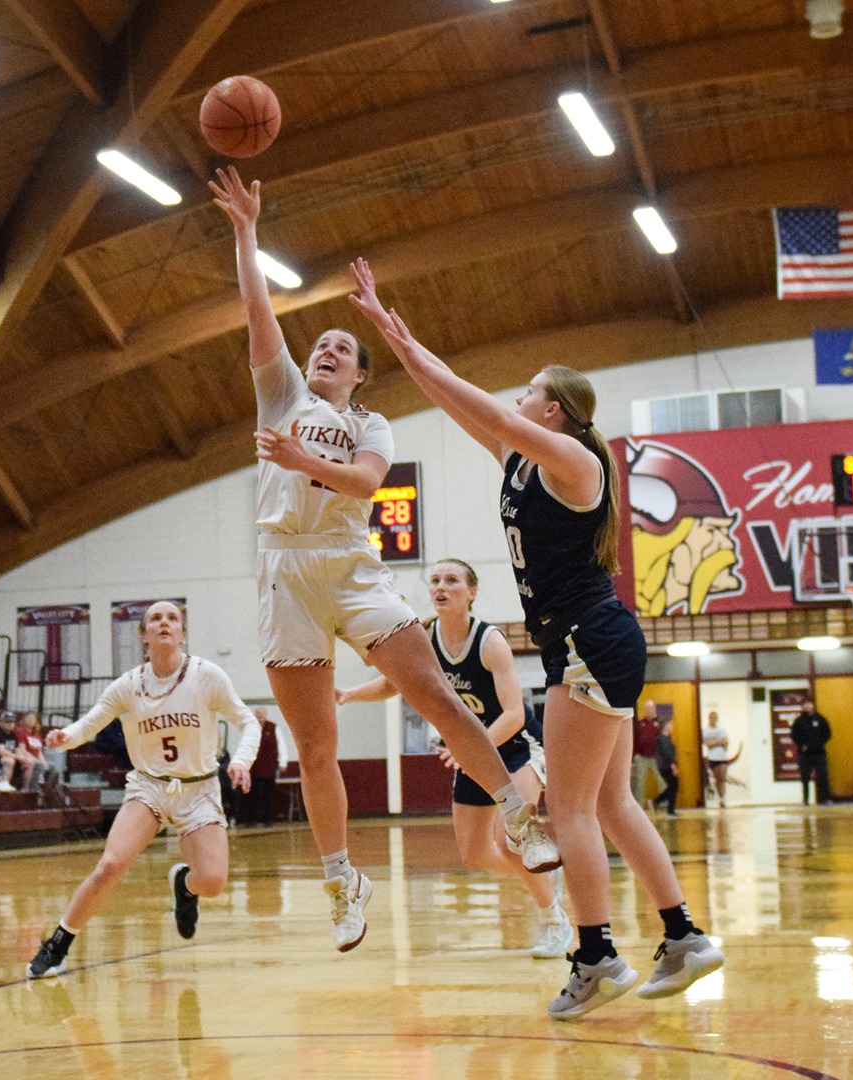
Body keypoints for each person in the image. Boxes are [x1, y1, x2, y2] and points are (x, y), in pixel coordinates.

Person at [346, 258, 720, 1019]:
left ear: (553, 410)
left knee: (570, 811)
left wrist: (406, 341)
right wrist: (407, 351)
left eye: (529, 392)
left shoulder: (577, 460)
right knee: (611, 804)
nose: (517, 399)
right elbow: (468, 411)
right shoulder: (521, 459)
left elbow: (488, 408)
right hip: (588, 643)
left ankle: (596, 955)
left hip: (590, 639)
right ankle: (681, 936)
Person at [211, 169, 556, 955]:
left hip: (350, 563)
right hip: (283, 571)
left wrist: (303, 459)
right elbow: (257, 312)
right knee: (317, 746)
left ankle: (518, 810)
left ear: (361, 374)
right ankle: (342, 880)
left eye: (343, 349)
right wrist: (246, 231)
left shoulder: (373, 423)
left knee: (434, 691)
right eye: (321, 345)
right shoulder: (281, 396)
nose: (328, 350)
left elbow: (366, 485)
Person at [339, 558, 571, 958]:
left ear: (471, 592)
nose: (440, 587)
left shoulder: (490, 640)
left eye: (451, 580)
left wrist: (468, 748)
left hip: (515, 747)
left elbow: (514, 715)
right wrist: (349, 694)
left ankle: (554, 921)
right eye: (434, 581)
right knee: (475, 853)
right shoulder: (426, 640)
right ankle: (547, 874)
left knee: (511, 839)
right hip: (469, 751)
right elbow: (395, 682)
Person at [28, 602, 260, 978]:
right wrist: (64, 737)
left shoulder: (207, 675)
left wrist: (241, 761)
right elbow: (89, 724)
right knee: (110, 866)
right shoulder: (129, 685)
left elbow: (248, 721)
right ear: (144, 635)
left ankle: (184, 886)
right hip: (149, 788)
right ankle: (57, 944)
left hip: (198, 789)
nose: (164, 622)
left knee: (214, 883)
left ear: (182, 634)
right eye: (155, 618)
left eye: (173, 618)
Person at [790, 698, 833, 806]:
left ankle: (825, 799)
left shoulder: (820, 719)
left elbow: (827, 733)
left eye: (809, 704)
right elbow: (794, 735)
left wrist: (819, 743)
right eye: (805, 704)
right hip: (805, 754)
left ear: (813, 705)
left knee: (822, 776)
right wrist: (801, 745)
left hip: (819, 752)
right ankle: (805, 799)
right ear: (803, 706)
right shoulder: (799, 721)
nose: (808, 706)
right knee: (805, 777)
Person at [630, 702, 660, 809]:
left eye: (651, 708)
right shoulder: (639, 724)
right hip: (641, 757)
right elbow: (634, 740)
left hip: (656, 758)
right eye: (647, 709)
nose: (649, 711)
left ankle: (661, 803)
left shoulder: (660, 724)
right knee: (638, 784)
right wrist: (632, 759)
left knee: (663, 782)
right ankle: (639, 807)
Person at [700, 711, 731, 808]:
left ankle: (723, 799)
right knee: (717, 779)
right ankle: (719, 796)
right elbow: (707, 743)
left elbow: (725, 741)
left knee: (722, 778)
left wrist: (715, 742)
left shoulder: (721, 730)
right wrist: (719, 742)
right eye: (711, 717)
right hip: (712, 757)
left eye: (714, 717)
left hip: (722, 757)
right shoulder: (705, 731)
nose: (713, 719)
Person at [652, 717, 679, 814]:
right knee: (674, 786)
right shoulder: (663, 739)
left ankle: (657, 802)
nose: (672, 726)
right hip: (666, 766)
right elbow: (667, 754)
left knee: (673, 786)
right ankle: (669, 810)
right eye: (670, 724)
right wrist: (673, 765)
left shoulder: (666, 738)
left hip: (665, 766)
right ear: (666, 726)